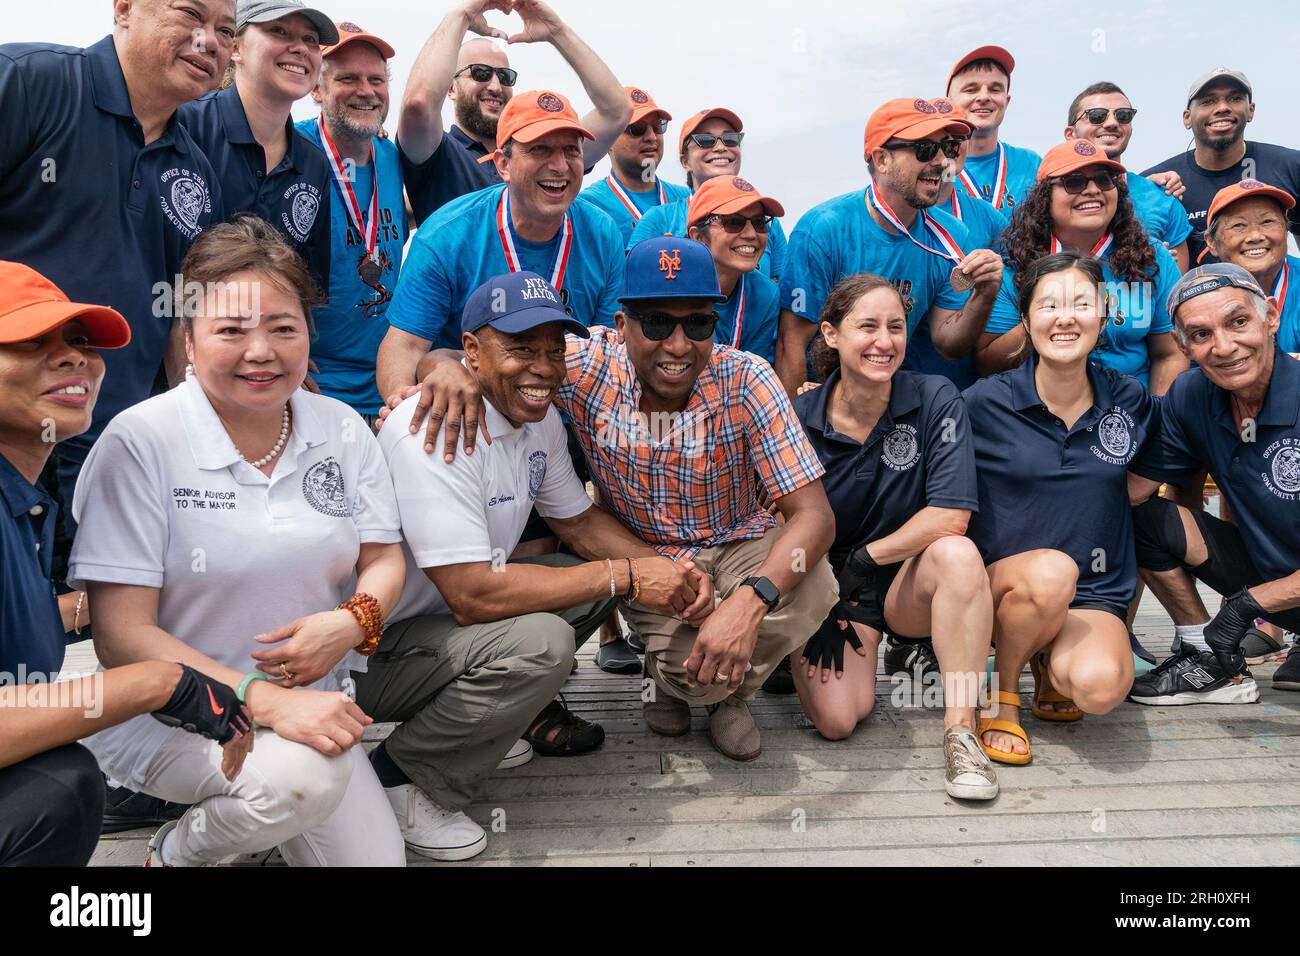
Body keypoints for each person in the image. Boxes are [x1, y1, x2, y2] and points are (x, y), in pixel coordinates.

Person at [405, 238, 840, 761]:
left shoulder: (747, 377)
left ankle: (728, 694)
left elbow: (813, 515)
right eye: (657, 323)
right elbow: (489, 357)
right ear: (620, 324)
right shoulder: (578, 363)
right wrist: (444, 367)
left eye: (698, 324)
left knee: (813, 585)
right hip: (646, 554)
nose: (678, 344)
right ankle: (681, 681)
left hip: (740, 539)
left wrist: (748, 605)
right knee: (691, 673)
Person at [69, 217, 407, 867]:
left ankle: (256, 817)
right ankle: (177, 854)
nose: (262, 351)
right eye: (231, 330)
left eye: (284, 327)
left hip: (311, 709)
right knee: (301, 781)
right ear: (189, 341)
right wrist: (269, 699)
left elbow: (382, 556)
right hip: (167, 718)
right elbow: (121, 636)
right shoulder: (140, 444)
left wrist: (352, 620)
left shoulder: (339, 427)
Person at [368, 271, 708, 858]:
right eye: (521, 348)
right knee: (545, 643)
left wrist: (669, 570)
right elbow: (472, 595)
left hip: (435, 631)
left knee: (579, 580)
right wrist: (628, 576)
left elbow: (578, 524)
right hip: (369, 652)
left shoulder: (540, 419)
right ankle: (402, 779)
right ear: (471, 352)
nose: (544, 367)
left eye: (554, 350)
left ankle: (489, 720)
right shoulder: (433, 428)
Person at [0, 260, 254, 867]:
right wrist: (160, 680)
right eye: (31, 342)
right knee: (56, 789)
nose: (72, 359)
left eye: (79, 342)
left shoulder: (27, 492)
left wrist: (121, 600)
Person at [0, 0, 231, 511]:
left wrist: (197, 431)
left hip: (109, 450)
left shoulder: (198, 175)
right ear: (125, 8)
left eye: (226, 30)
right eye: (191, 14)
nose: (210, 41)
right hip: (8, 431)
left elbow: (182, 310)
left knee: (71, 592)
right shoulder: (26, 81)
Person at [791, 273, 997, 800]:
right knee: (837, 721)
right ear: (831, 334)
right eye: (867, 326)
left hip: (906, 582)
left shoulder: (934, 396)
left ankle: (961, 730)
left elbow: (950, 514)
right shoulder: (798, 415)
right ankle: (880, 655)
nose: (884, 341)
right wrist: (811, 602)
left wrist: (865, 558)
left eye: (896, 327)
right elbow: (779, 523)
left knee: (957, 553)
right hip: (835, 595)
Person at [965, 252, 1157, 764]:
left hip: (1093, 591)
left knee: (1099, 690)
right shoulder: (984, 402)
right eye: (1048, 305)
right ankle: (1002, 693)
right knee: (1050, 573)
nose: (1065, 317)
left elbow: (1141, 484)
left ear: (1105, 312)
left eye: (1080, 303)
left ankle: (1050, 661)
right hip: (1009, 585)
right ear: (1026, 321)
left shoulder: (1130, 399)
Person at [378, 88, 624, 404]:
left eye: (571, 151)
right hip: (475, 415)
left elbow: (603, 348)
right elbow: (406, 344)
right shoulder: (446, 234)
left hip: (565, 415)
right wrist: (402, 405)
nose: (560, 165)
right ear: (503, 165)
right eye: (540, 149)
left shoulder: (603, 234)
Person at [1128, 264, 1300, 701]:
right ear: (1184, 346)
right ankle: (1208, 656)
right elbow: (1132, 492)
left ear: (1272, 316)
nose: (1224, 347)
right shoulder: (1192, 395)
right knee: (1137, 517)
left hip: (1272, 593)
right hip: (1273, 576)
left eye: (1238, 322)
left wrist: (1247, 605)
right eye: (1201, 335)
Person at [776, 97, 1003, 396]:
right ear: (882, 159)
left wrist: (984, 295)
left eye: (948, 148)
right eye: (924, 149)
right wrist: (799, 425)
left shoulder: (952, 235)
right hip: (819, 396)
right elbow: (791, 342)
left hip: (886, 398)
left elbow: (948, 344)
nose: (941, 161)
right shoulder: (823, 228)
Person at [975, 140, 1189, 393]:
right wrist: (1045, 311)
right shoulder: (1015, 260)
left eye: (1103, 179)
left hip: (1133, 411)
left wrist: (1156, 421)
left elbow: (1170, 353)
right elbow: (989, 364)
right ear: (1045, 196)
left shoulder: (1152, 257)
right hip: (1040, 415)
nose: (1092, 190)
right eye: (1074, 182)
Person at [397, 0, 630, 225]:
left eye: (505, 76)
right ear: (451, 88)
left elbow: (617, 111)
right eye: (480, 73)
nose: (495, 87)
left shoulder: (538, 153)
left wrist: (557, 32)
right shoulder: (438, 155)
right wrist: (461, 16)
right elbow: (418, 104)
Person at [178, 0, 336, 287]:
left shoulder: (314, 164)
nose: (300, 48)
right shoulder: (184, 126)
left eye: (310, 39)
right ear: (235, 48)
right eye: (279, 31)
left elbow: (308, 289)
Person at [297, 22, 408, 419]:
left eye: (376, 79)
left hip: (389, 385)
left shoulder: (393, 157)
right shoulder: (290, 150)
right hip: (314, 388)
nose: (366, 90)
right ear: (316, 89)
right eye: (347, 78)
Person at [1143, 68, 1300, 266]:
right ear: (1187, 117)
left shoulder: (1292, 167)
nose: (1222, 107)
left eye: (1234, 98)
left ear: (1250, 110)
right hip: (1191, 295)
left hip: (1276, 295)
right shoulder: (1156, 184)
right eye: (1208, 101)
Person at [905, 113, 1009, 390]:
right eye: (932, 145)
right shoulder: (899, 215)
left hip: (970, 381)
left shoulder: (989, 218)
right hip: (907, 381)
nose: (944, 154)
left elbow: (1008, 296)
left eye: (954, 143)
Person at [626, 107, 789, 281]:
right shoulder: (659, 219)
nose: (720, 147)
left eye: (730, 139)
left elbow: (777, 292)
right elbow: (632, 286)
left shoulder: (766, 223)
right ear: (685, 161)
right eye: (705, 140)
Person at [1063, 81, 1192, 271]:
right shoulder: (1050, 195)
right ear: (1070, 134)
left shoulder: (1162, 198)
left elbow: (1176, 291)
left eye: (1123, 116)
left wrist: (1161, 270)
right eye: (1097, 116)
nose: (1112, 123)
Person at [685, 175, 784, 364]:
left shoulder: (765, 295)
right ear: (698, 237)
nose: (751, 234)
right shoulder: (670, 283)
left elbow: (750, 373)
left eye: (759, 222)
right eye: (733, 222)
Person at [577, 86, 690, 244]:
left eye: (658, 127)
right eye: (636, 129)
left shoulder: (687, 198)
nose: (651, 137)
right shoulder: (586, 206)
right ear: (607, 141)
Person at [1200, 180, 1299, 352]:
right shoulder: (1200, 295)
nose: (1255, 236)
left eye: (1267, 221)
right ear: (1211, 242)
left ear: (1285, 230)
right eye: (1239, 226)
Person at [944, 46, 1040, 211]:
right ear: (949, 103)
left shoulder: (1032, 165)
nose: (983, 97)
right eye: (971, 90)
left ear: (1006, 101)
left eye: (995, 90)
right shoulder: (934, 166)